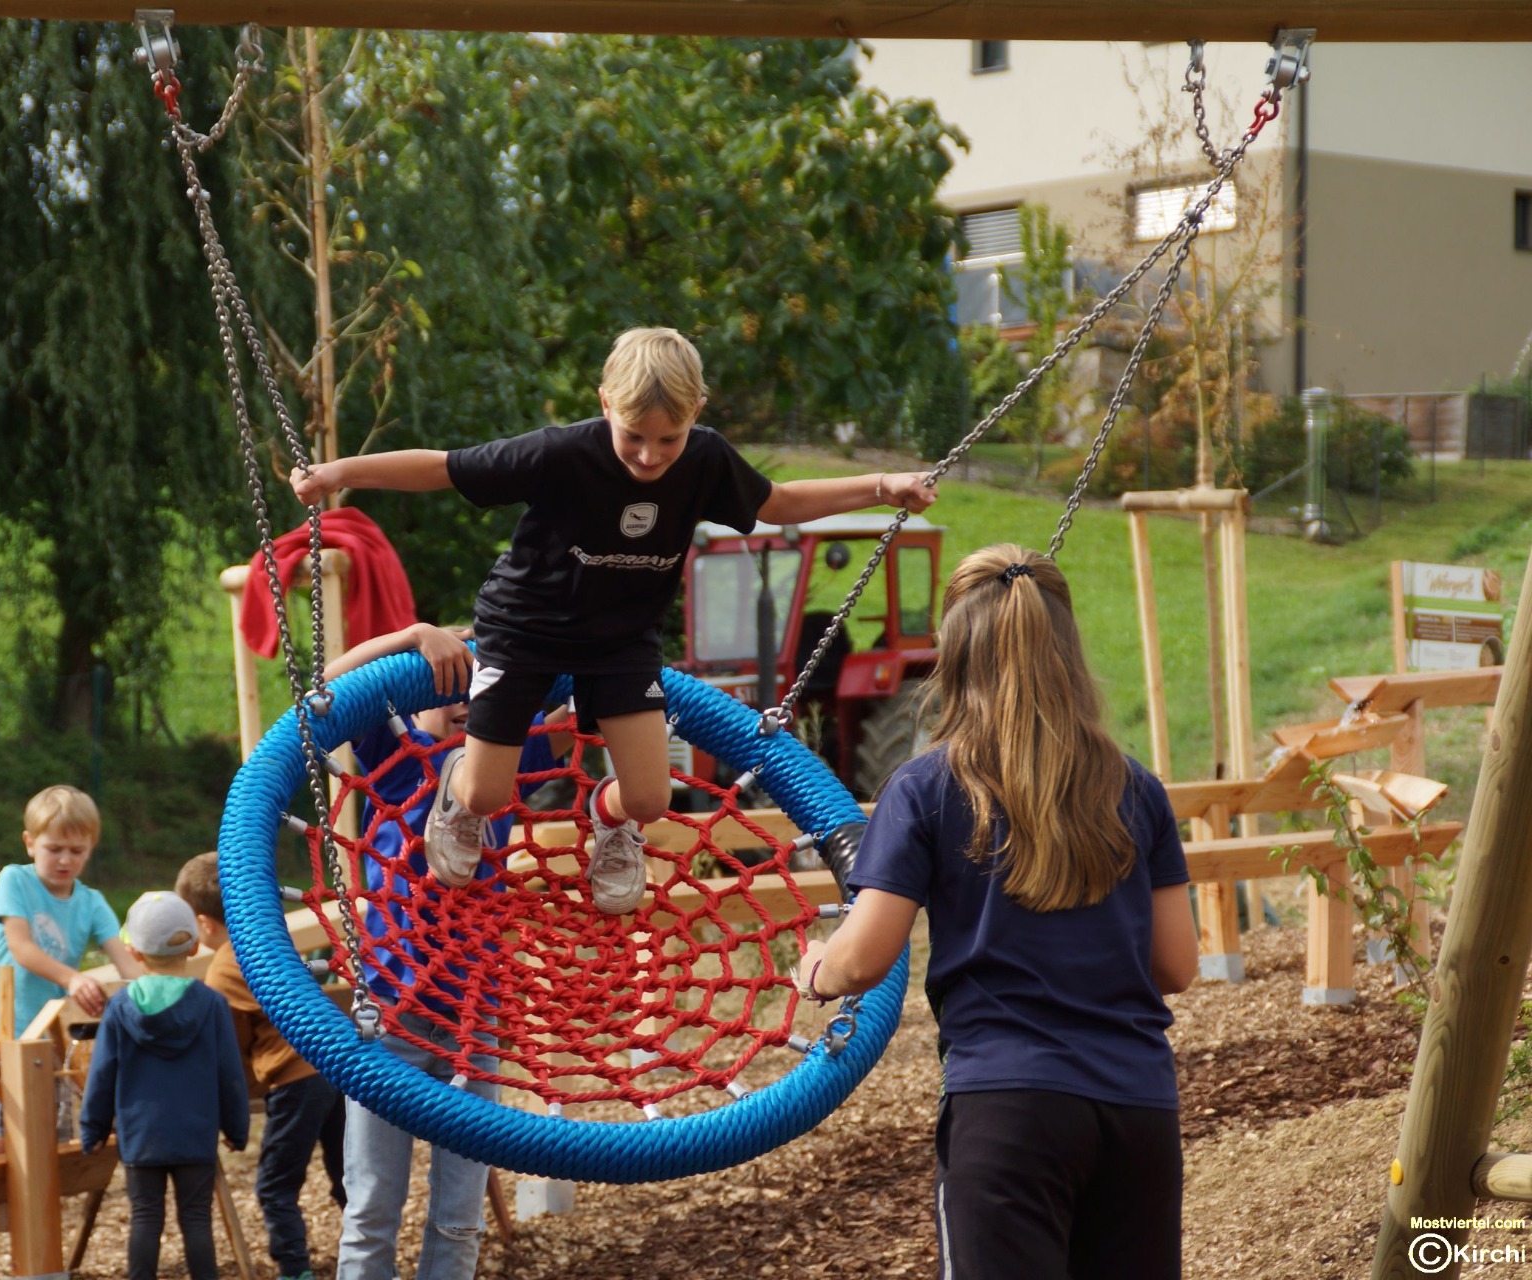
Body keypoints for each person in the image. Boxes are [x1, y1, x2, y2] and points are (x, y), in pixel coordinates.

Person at [291, 326, 936, 916]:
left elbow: (780, 503)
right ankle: (457, 798)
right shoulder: (560, 454)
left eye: (668, 439)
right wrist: (340, 473)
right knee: (490, 795)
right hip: (525, 629)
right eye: (634, 435)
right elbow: (445, 466)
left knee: (650, 798)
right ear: (605, 403)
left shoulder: (706, 460)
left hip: (622, 639)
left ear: (695, 417)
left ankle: (609, 816)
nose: (651, 456)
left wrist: (882, 485)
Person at [796, 545, 1200, 1280]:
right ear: (1069, 651)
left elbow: (865, 956)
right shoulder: (1137, 790)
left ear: (954, 656)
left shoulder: (925, 787)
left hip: (1009, 1112)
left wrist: (818, 969)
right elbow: (1176, 965)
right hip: (1139, 1109)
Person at [322, 621, 572, 1280]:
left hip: (473, 1013)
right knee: (373, 1203)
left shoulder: (505, 761)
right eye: (450, 686)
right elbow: (323, 688)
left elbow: (575, 691)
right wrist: (411, 639)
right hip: (393, 1007)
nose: (466, 701)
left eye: (481, 689)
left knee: (459, 1214)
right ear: (408, 701)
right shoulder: (391, 750)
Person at [177, 852, 347, 1280]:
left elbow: (229, 1051)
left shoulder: (222, 971)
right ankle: (374, 1261)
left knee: (275, 1187)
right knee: (348, 1176)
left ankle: (295, 1270)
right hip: (337, 1070)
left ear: (202, 923)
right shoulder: (271, 938)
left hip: (295, 1081)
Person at [80, 892, 251, 1280]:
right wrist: (236, 1129)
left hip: (141, 1137)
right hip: (195, 1134)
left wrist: (93, 1128)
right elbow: (230, 1073)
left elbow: (102, 1073)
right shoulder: (211, 1005)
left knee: (145, 1218)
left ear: (134, 952)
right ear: (192, 946)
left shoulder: (121, 1007)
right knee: (195, 1219)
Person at [0, 784, 140, 1153]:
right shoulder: (14, 880)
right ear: (30, 843)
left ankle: (43, 1210)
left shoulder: (92, 902)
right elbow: (20, 947)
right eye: (54, 849)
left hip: (51, 1038)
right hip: (3, 1030)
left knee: (50, 1139)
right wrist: (72, 977)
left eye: (77, 851)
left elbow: (125, 961)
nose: (65, 860)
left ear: (91, 848)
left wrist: (156, 991)